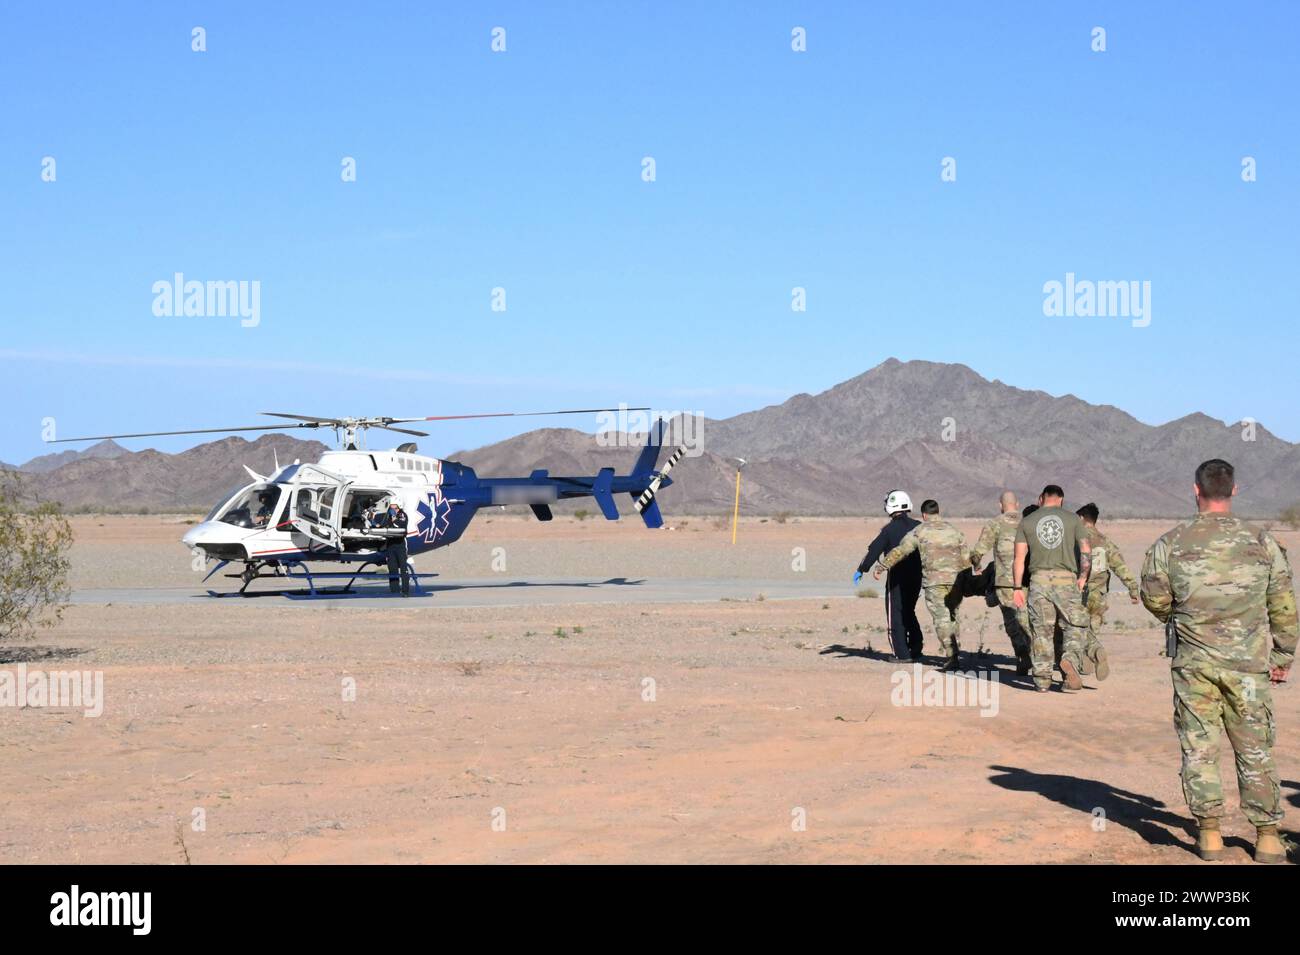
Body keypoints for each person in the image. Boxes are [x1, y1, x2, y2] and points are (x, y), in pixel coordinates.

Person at [1141, 459, 1295, 864]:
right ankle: (1268, 838)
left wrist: (1186, 618)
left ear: (1196, 490)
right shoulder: (1262, 543)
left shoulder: (1170, 543)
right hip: (1247, 666)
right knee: (1255, 749)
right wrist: (1282, 655)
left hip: (1194, 666)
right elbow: (1283, 606)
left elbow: (1154, 598)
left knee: (1199, 746)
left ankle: (1209, 835)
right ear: (1234, 490)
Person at [1012, 484, 1092, 692]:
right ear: (1061, 500)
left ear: (1042, 498)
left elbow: (1018, 559)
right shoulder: (1073, 519)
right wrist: (1083, 576)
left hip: (1039, 581)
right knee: (1076, 625)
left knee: (1041, 631)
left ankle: (1042, 681)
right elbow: (1085, 549)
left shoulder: (1027, 521)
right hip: (1066, 580)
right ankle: (1069, 661)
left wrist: (1016, 587)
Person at [879, 499, 970, 671]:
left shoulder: (920, 531)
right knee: (952, 617)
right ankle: (954, 653)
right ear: (938, 511)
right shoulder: (954, 531)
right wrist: (967, 579)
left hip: (935, 583)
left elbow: (902, 550)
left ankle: (952, 656)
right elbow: (965, 557)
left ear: (924, 515)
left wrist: (883, 565)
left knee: (941, 620)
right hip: (955, 582)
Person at [855, 490, 923, 661]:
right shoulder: (919, 526)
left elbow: (874, 551)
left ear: (890, 506)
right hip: (917, 577)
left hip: (897, 579)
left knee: (896, 615)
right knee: (909, 611)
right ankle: (916, 647)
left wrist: (862, 569)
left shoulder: (888, 530)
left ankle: (901, 654)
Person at [970, 490, 1033, 675]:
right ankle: (1037, 657)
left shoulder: (994, 524)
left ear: (1000, 505)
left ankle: (1024, 656)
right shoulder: (1028, 521)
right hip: (1030, 580)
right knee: (1030, 620)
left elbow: (978, 551)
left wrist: (977, 566)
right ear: (1018, 504)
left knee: (1013, 624)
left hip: (1006, 583)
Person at [1074, 503, 1139, 680]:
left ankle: (1092, 654)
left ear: (1081, 518)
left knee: (1076, 631)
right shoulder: (1105, 542)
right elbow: (1120, 567)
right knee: (1092, 630)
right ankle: (1087, 660)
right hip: (1099, 595)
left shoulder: (1075, 540)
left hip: (1078, 593)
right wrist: (1133, 588)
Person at [369, 497, 411, 596]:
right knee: (392, 568)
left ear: (398, 506)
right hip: (390, 545)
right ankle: (394, 590)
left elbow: (400, 525)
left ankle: (405, 591)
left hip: (400, 545)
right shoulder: (388, 515)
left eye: (393, 505)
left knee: (403, 568)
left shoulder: (402, 515)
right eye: (391, 505)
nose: (391, 507)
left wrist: (393, 519)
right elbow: (382, 525)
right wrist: (372, 520)